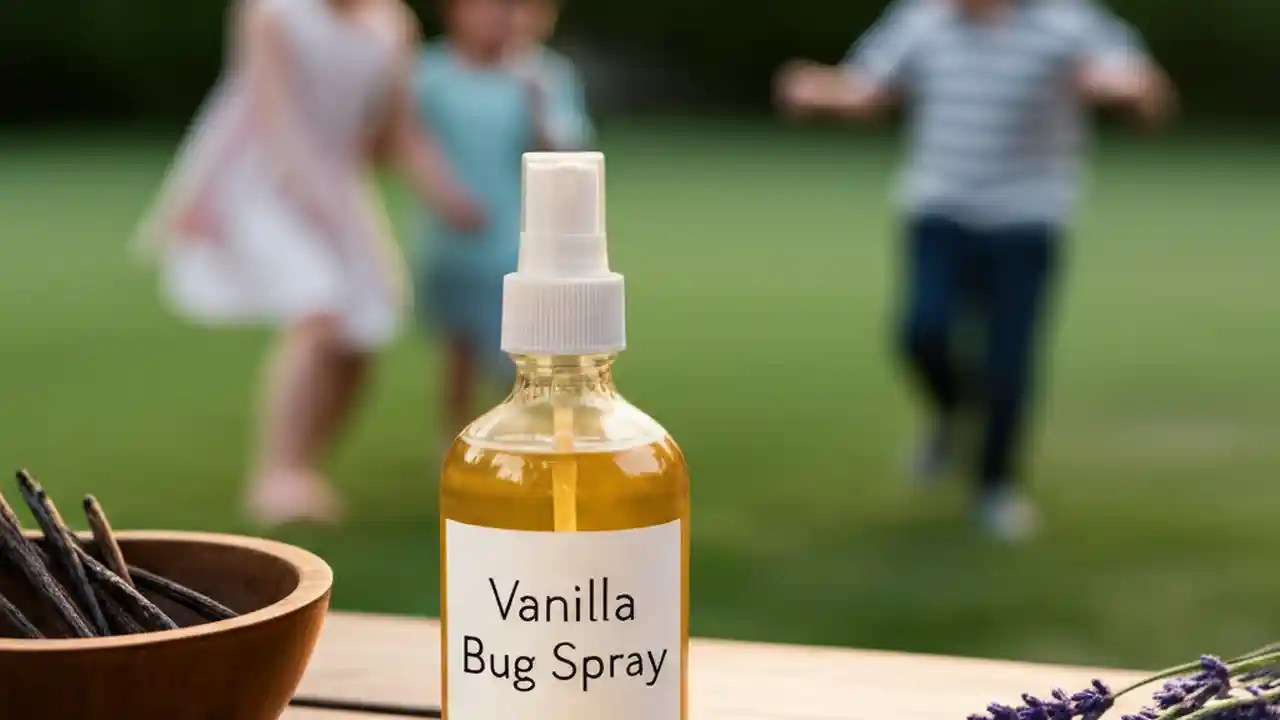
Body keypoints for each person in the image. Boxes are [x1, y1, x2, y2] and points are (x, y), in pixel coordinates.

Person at [776, 0, 1175, 540]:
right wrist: (817, 90)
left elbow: (1149, 94)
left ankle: (995, 487)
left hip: (1028, 220)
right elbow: (869, 93)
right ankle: (950, 417)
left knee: (1008, 363)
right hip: (940, 211)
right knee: (922, 333)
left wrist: (1131, 91)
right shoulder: (920, 21)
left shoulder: (1070, 23)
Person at [139, 0, 482, 525]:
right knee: (318, 308)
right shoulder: (272, 14)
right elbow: (276, 122)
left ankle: (306, 468)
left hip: (339, 185)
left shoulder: (392, 25)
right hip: (262, 186)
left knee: (365, 329)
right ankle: (274, 473)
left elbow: (397, 131)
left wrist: (447, 193)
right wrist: (325, 208)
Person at [414, 0, 593, 440]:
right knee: (461, 346)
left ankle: (523, 434)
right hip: (452, 240)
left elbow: (569, 155)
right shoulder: (429, 74)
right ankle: (454, 435)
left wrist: (538, 103)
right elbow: (408, 139)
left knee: (522, 344)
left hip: (519, 239)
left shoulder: (545, 75)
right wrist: (443, 194)